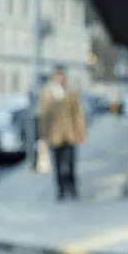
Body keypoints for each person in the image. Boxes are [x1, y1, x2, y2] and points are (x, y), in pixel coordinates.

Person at [38, 66, 86, 200]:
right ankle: (60, 189)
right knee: (58, 164)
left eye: (62, 76)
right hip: (55, 135)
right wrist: (44, 136)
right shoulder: (49, 94)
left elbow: (78, 114)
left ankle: (72, 187)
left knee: (70, 163)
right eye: (58, 76)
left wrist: (80, 132)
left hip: (70, 134)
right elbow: (44, 116)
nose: (61, 79)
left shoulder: (71, 93)